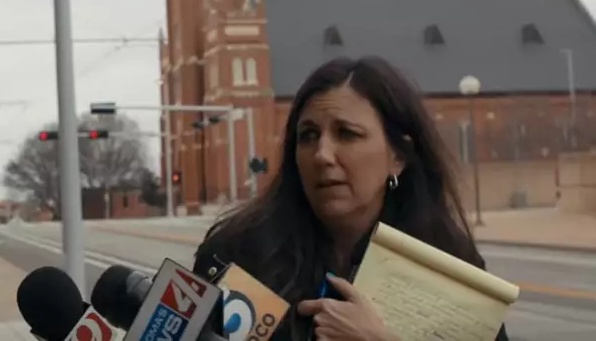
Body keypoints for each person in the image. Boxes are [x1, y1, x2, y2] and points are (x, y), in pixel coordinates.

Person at [193, 56, 508, 341]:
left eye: (347, 134)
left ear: (398, 156)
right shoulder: (236, 256)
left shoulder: (450, 267)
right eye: (308, 136)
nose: (322, 155)